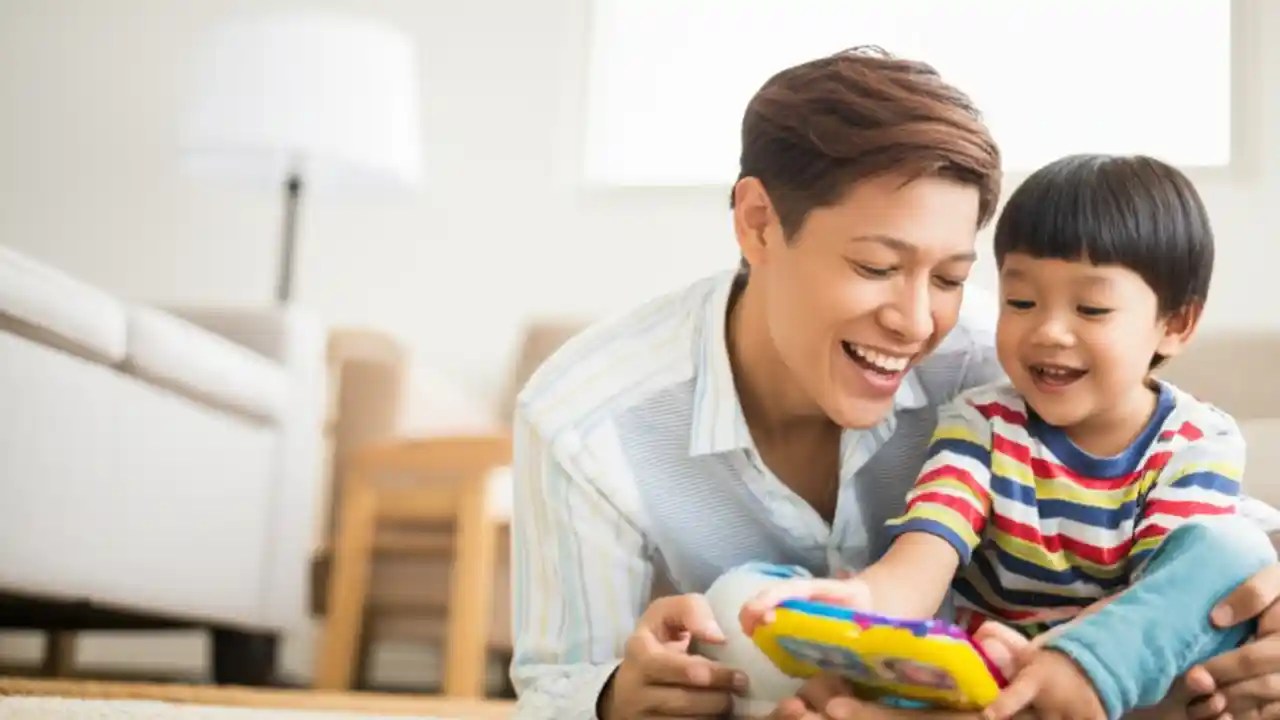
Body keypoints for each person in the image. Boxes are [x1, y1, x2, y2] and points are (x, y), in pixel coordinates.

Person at [508, 46, 1280, 720]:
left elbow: (1221, 538)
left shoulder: (1002, 357)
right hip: (895, 670)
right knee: (741, 615)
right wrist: (619, 699)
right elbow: (557, 689)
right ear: (758, 223)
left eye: (950, 277)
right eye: (877, 267)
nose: (917, 322)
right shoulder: (585, 419)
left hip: (1013, 670)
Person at [738, 154, 1278, 720]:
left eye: (1091, 308)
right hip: (989, 672)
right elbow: (929, 549)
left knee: (1232, 551)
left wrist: (1062, 662)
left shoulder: (1197, 440)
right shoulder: (983, 421)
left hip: (1131, 672)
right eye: (1021, 302)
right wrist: (867, 602)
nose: (1048, 330)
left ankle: (1057, 694)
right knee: (758, 599)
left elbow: (1163, 599)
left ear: (1176, 325)